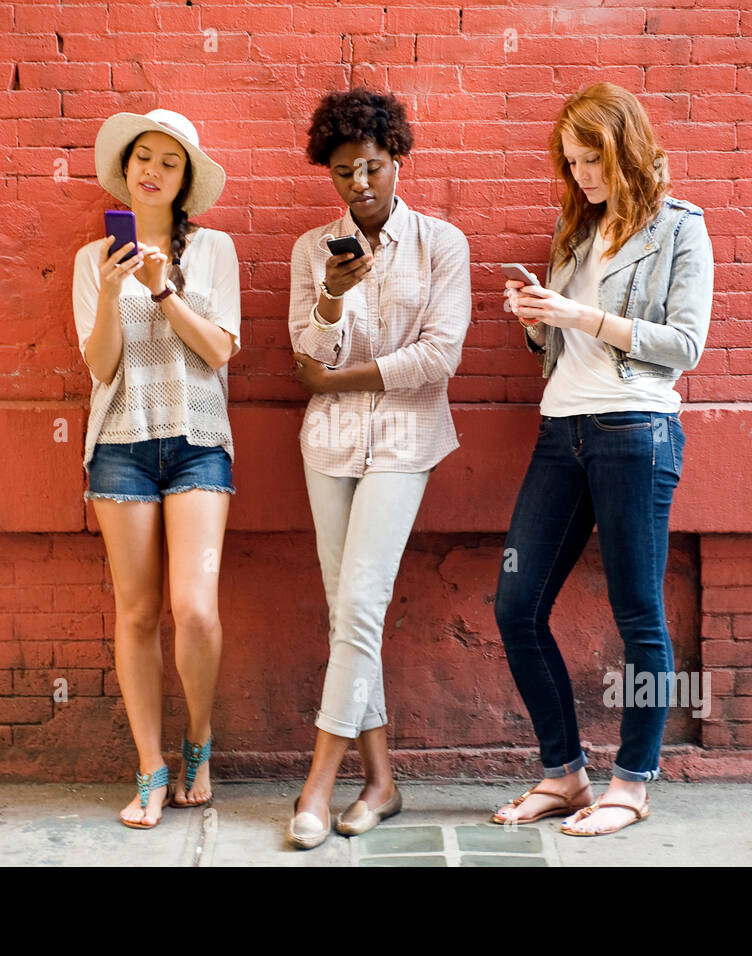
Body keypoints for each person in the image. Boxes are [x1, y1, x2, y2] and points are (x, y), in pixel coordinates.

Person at [492, 82, 714, 837]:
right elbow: (560, 347)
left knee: (638, 614)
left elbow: (684, 346)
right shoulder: (574, 231)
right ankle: (565, 774)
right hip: (562, 432)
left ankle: (633, 780)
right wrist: (536, 321)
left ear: (624, 148)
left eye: (591, 159)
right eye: (570, 161)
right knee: (516, 607)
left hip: (635, 434)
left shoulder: (681, 229)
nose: (581, 175)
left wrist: (582, 314)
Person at [285, 88, 471, 848]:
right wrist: (332, 298)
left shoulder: (441, 245)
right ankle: (384, 782)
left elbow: (440, 356)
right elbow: (307, 357)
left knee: (360, 604)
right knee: (346, 614)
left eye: (372, 167)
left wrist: (341, 379)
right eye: (342, 173)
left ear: (398, 160)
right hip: (328, 447)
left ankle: (318, 787)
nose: (359, 185)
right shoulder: (311, 251)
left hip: (402, 443)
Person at [71, 109, 240, 829]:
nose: (152, 171)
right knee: (137, 613)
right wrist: (113, 290)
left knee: (195, 609)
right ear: (126, 169)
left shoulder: (214, 253)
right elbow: (102, 364)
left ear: (184, 182)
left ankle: (198, 736)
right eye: (144, 157)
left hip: (198, 438)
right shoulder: (90, 261)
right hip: (122, 446)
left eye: (169, 163)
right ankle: (150, 767)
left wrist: (163, 287)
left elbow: (220, 351)